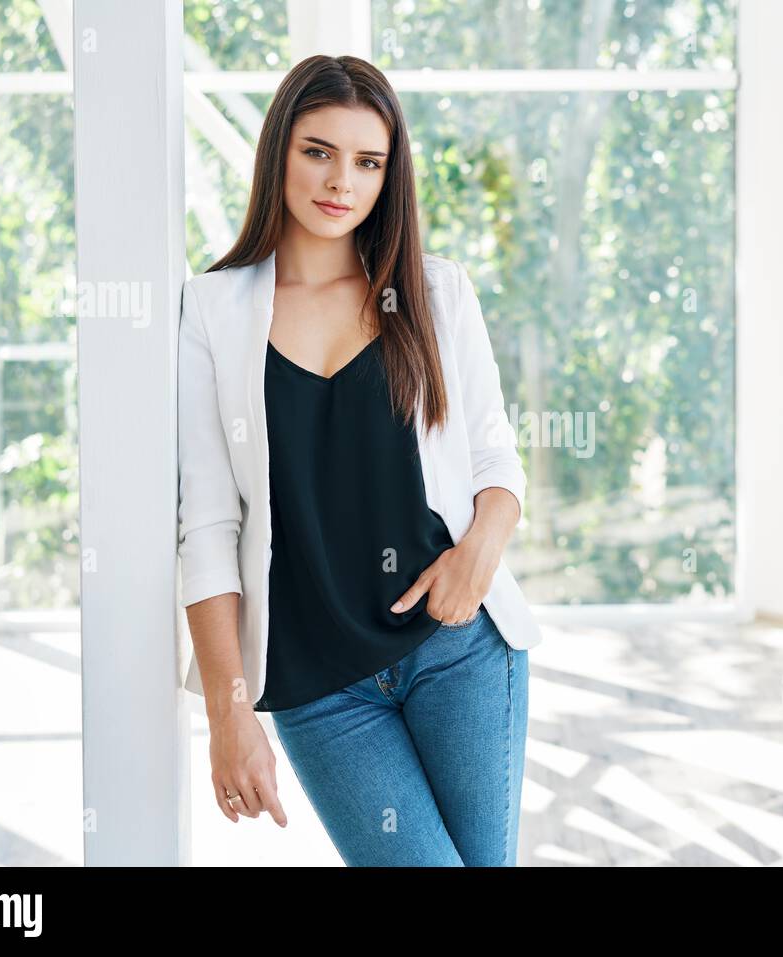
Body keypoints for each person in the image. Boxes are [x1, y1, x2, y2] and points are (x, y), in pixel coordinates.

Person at [176, 54, 541, 866]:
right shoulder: (213, 311)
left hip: (459, 652)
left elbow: (496, 461)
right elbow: (207, 526)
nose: (342, 180)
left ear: (389, 175)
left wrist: (476, 560)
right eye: (318, 151)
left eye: (368, 161)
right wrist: (229, 712)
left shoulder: (437, 293)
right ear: (279, 153)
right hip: (321, 688)